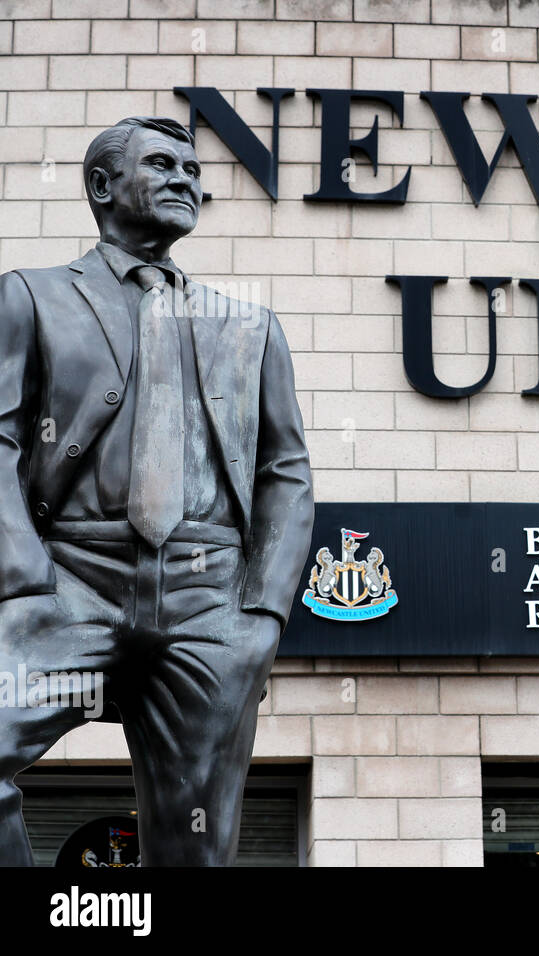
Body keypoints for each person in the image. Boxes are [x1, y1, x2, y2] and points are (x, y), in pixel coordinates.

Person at [0, 116, 314, 865]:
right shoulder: (31, 298)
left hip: (210, 601)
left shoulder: (250, 327)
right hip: (71, 581)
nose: (186, 178)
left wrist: (262, 615)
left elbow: (287, 473)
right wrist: (23, 583)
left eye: (193, 168)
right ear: (101, 187)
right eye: (162, 163)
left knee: (194, 849)